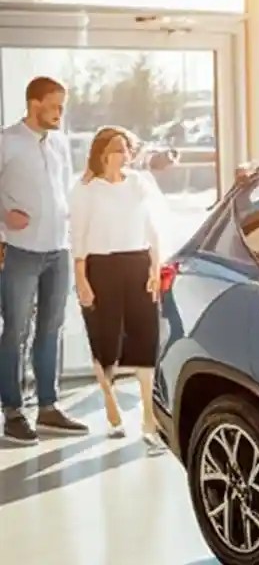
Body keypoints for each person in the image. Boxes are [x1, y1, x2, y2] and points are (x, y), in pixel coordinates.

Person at [0, 76, 89, 445]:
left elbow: (63, 190)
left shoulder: (60, 143)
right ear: (34, 104)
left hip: (58, 250)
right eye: (55, 105)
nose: (60, 113)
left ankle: (48, 408)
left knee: (52, 329)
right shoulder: (6, 141)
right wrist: (4, 215)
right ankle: (12, 411)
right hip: (20, 251)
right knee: (15, 331)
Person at [70, 125, 166, 453]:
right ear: (101, 153)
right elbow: (78, 236)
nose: (124, 154)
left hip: (137, 263)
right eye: (117, 148)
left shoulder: (138, 183)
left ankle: (149, 419)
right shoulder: (86, 189)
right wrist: (81, 279)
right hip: (101, 266)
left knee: (144, 339)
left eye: (126, 148)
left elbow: (152, 228)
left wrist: (155, 267)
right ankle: (110, 403)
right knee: (105, 338)